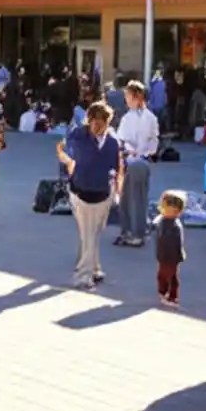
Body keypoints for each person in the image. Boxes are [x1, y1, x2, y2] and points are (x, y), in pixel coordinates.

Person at [56, 102, 122, 291]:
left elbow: (117, 168)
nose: (97, 125)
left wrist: (118, 190)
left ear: (107, 123)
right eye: (93, 121)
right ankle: (83, 275)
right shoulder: (78, 136)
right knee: (88, 234)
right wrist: (69, 166)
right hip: (80, 192)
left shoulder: (112, 142)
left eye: (101, 122)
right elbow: (63, 151)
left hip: (103, 193)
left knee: (95, 231)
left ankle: (94, 267)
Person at [113, 80, 158, 247]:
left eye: (128, 97)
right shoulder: (151, 118)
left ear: (137, 97)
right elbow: (154, 143)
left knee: (126, 199)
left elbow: (121, 140)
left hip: (130, 160)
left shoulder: (128, 118)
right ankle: (139, 232)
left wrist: (128, 151)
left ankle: (129, 232)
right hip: (144, 161)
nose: (126, 100)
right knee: (140, 198)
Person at [155, 191, 186, 308]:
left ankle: (167, 294)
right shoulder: (164, 220)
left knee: (166, 276)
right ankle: (171, 295)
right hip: (165, 255)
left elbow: (173, 243)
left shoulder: (173, 225)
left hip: (169, 256)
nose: (163, 209)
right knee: (170, 276)